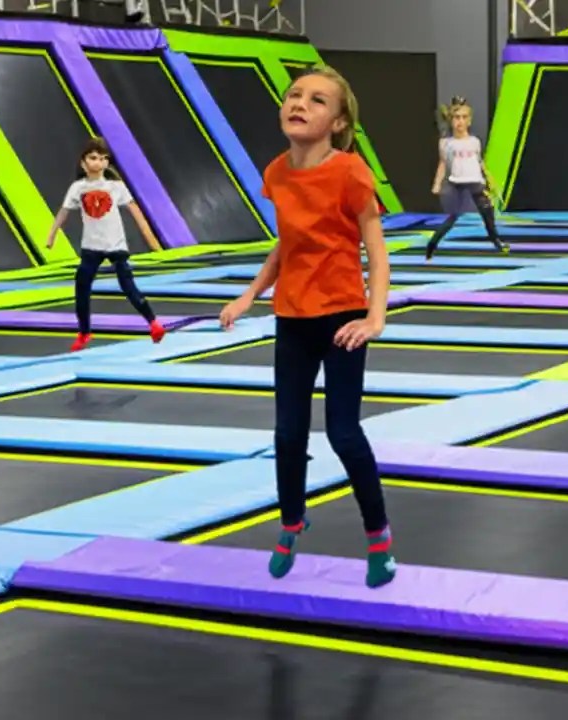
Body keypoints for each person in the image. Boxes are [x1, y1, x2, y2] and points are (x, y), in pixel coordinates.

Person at [219, 65, 396, 589]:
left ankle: (378, 534)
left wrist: (375, 317)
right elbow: (287, 244)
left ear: (338, 123)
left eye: (317, 100)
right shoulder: (277, 173)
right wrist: (250, 294)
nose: (300, 103)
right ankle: (292, 521)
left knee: (343, 431)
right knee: (288, 432)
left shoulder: (351, 173)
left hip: (342, 319)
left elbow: (376, 251)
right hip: (293, 318)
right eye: (294, 94)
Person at [45, 137, 164, 353]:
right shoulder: (78, 188)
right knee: (82, 286)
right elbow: (64, 212)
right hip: (91, 246)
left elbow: (135, 211)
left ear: (107, 162)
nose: (98, 162)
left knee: (128, 285)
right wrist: (52, 235)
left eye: (102, 158)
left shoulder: (115, 186)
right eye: (93, 158)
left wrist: (151, 239)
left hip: (115, 244)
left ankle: (153, 322)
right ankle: (84, 331)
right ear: (83, 163)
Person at [424, 96, 506, 260]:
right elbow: (443, 164)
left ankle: (496, 240)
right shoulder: (446, 143)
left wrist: (490, 181)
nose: (460, 121)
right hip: (457, 183)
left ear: (469, 120)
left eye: (463, 117)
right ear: (451, 120)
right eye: (456, 117)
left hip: (475, 181)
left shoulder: (474, 142)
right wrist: (437, 183)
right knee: (452, 217)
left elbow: (479, 162)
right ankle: (432, 244)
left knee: (487, 212)